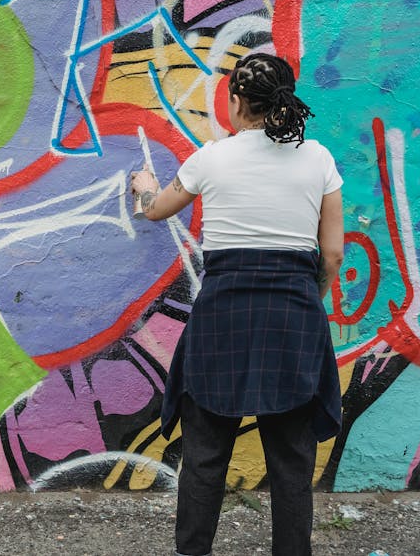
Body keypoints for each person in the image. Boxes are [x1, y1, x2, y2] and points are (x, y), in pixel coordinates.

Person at [130, 52, 345, 556]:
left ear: (237, 101)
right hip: (293, 315)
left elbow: (156, 210)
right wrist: (307, 303)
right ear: (283, 102)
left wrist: (143, 189)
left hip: (223, 315)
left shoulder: (212, 157)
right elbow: (331, 253)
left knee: (206, 453)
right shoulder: (318, 159)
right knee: (291, 459)